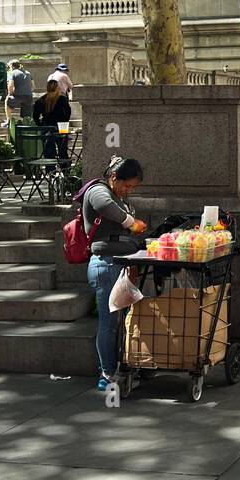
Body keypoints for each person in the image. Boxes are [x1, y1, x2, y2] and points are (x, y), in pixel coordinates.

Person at [83, 157, 147, 391]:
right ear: (113, 177)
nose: (127, 190)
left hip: (122, 263)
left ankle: (123, 367)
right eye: (126, 185)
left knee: (124, 321)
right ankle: (107, 373)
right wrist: (131, 222)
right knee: (109, 322)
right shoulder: (98, 190)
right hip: (106, 264)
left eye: (132, 187)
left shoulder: (119, 197)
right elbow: (103, 206)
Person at [32, 78, 72, 164]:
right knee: (63, 151)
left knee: (48, 152)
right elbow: (68, 113)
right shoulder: (62, 99)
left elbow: (35, 115)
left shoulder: (41, 100)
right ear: (57, 88)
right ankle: (65, 170)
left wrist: (40, 125)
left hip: (46, 128)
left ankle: (50, 171)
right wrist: (65, 121)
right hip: (61, 128)